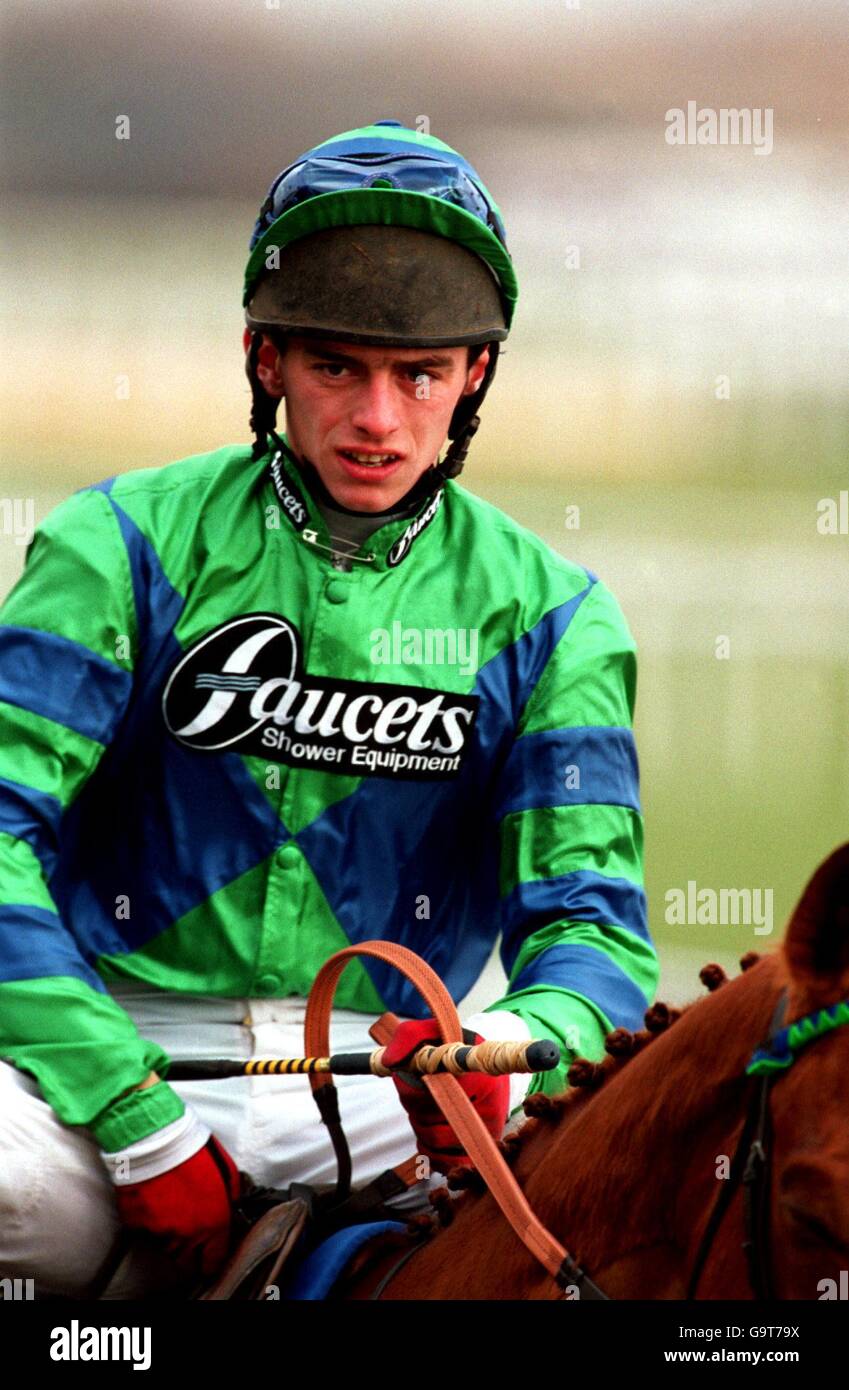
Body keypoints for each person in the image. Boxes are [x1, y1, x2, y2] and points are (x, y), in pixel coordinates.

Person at [0, 121, 657, 1298]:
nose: (379, 421)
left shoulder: (561, 618)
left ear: (476, 376)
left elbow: (593, 932)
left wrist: (506, 1061)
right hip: (89, 1071)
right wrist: (134, 1113)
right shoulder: (116, 546)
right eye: (336, 368)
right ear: (266, 361)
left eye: (421, 375)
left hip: (394, 1083)